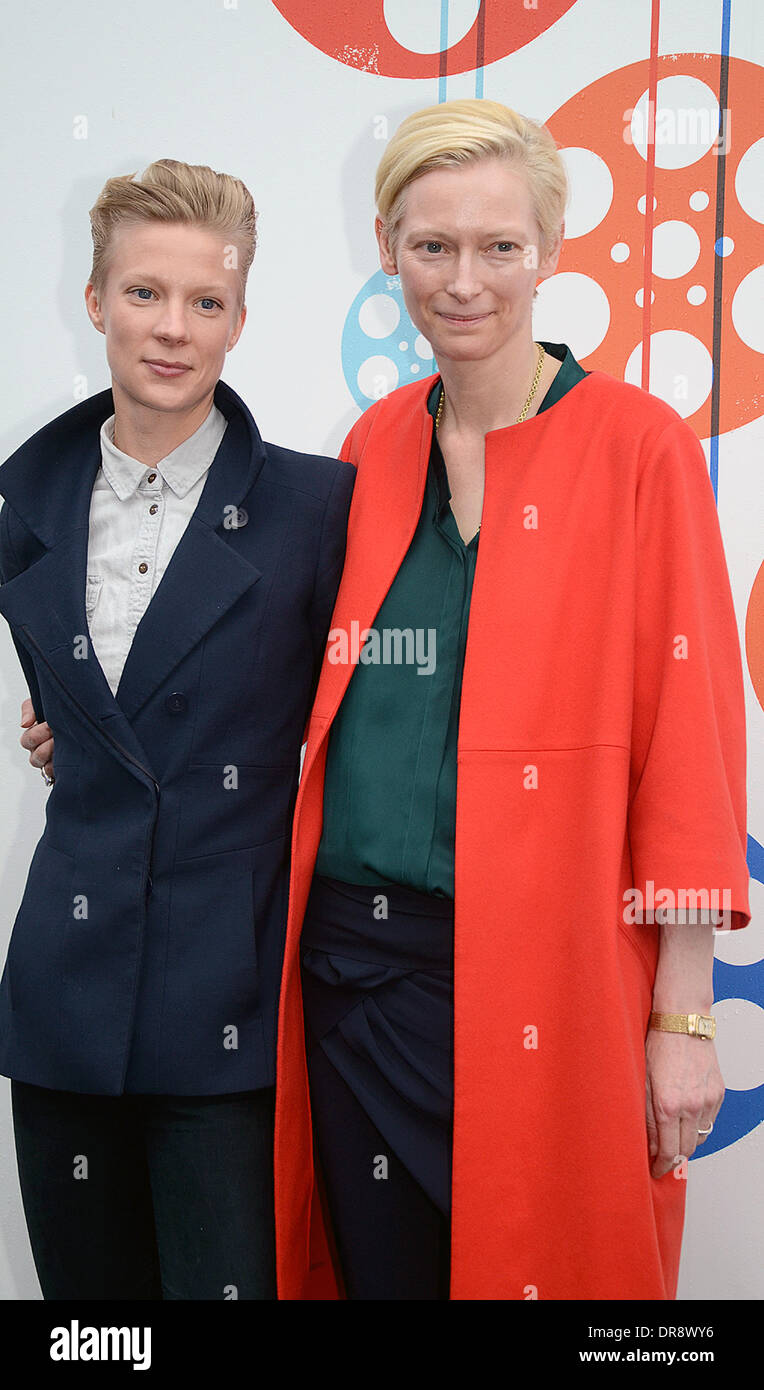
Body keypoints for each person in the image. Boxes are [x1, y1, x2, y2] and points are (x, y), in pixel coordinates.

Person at [272, 100, 752, 1301]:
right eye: (431, 245)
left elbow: (686, 742)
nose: (463, 280)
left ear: (548, 248)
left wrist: (680, 1018)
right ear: (386, 248)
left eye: (497, 245)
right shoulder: (371, 444)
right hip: (348, 973)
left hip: (546, 975)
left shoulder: (638, 447)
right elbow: (316, 677)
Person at [0, 159, 354, 1299]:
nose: (173, 329)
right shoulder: (22, 503)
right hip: (63, 1002)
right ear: (95, 300)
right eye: (145, 294)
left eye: (206, 303)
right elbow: (78, 710)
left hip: (232, 1008)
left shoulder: (319, 508)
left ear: (241, 319)